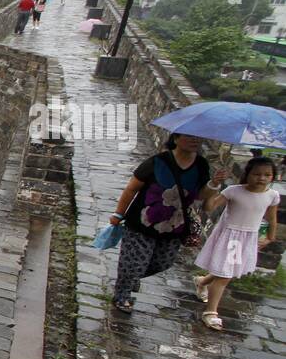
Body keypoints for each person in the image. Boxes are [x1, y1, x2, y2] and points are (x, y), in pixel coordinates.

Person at [108, 133, 227, 313]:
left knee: (163, 262)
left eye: (198, 138)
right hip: (142, 222)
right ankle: (122, 295)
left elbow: (201, 196)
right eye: (189, 137)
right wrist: (119, 213)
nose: (195, 140)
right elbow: (132, 187)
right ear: (176, 139)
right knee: (134, 262)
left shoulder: (201, 165)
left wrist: (213, 183)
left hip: (175, 225)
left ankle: (130, 278)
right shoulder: (157, 161)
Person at [193, 157, 280, 330]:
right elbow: (209, 208)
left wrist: (270, 237)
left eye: (267, 175)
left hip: (249, 237)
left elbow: (271, 217)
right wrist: (214, 186)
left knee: (228, 272)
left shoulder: (272, 195)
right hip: (230, 236)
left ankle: (202, 281)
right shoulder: (234, 191)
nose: (261, 178)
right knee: (225, 275)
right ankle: (211, 312)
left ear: (273, 177)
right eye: (256, 174)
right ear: (247, 174)